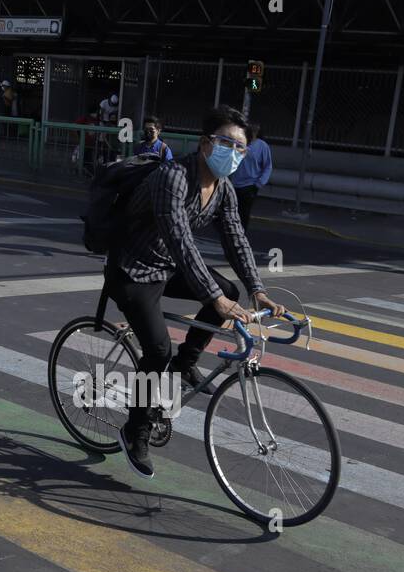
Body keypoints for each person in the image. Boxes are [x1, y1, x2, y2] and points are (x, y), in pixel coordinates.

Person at [107, 105, 286, 479]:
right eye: (227, 144)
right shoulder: (172, 177)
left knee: (229, 290)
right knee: (157, 348)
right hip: (133, 269)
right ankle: (134, 430)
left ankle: (184, 365)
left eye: (242, 149)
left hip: (168, 269)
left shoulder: (223, 189)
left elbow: (236, 239)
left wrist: (257, 289)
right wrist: (213, 299)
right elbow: (181, 243)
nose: (234, 154)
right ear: (206, 143)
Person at [230, 122, 273, 231]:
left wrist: (259, 183)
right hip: (234, 183)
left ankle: (241, 234)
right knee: (231, 212)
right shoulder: (240, 142)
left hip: (250, 185)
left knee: (244, 212)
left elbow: (267, 166)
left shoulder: (262, 146)